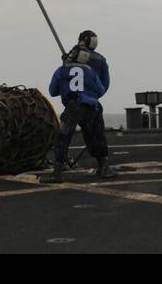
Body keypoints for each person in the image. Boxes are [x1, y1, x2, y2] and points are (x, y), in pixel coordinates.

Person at [42, 30, 113, 182]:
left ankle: (57, 172)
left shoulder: (62, 70)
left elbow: (52, 91)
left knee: (63, 137)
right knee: (96, 136)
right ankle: (104, 166)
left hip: (73, 106)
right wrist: (90, 95)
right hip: (92, 106)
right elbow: (102, 88)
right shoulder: (95, 66)